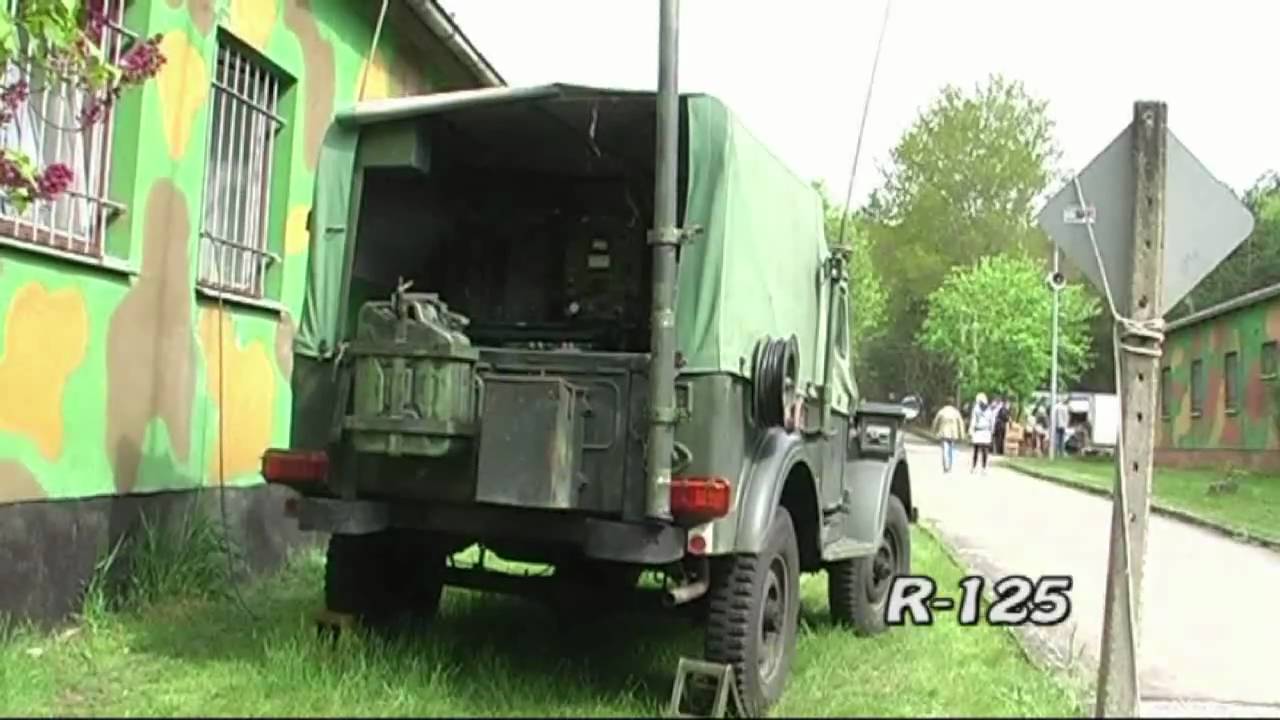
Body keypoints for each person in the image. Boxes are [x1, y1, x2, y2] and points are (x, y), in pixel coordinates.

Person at [931, 397, 965, 473]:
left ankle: (945, 466)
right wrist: (962, 434)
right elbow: (960, 423)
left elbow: (935, 421)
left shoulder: (942, 411)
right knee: (951, 451)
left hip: (944, 433)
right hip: (953, 434)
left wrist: (933, 431)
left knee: (945, 451)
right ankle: (950, 466)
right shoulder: (956, 412)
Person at [968, 393, 995, 474]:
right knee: (978, 450)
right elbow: (973, 420)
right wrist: (971, 429)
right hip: (981, 430)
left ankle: (981, 467)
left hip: (984, 430)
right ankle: (975, 466)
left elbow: (992, 421)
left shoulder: (988, 410)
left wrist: (992, 430)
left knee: (983, 450)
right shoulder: (978, 409)